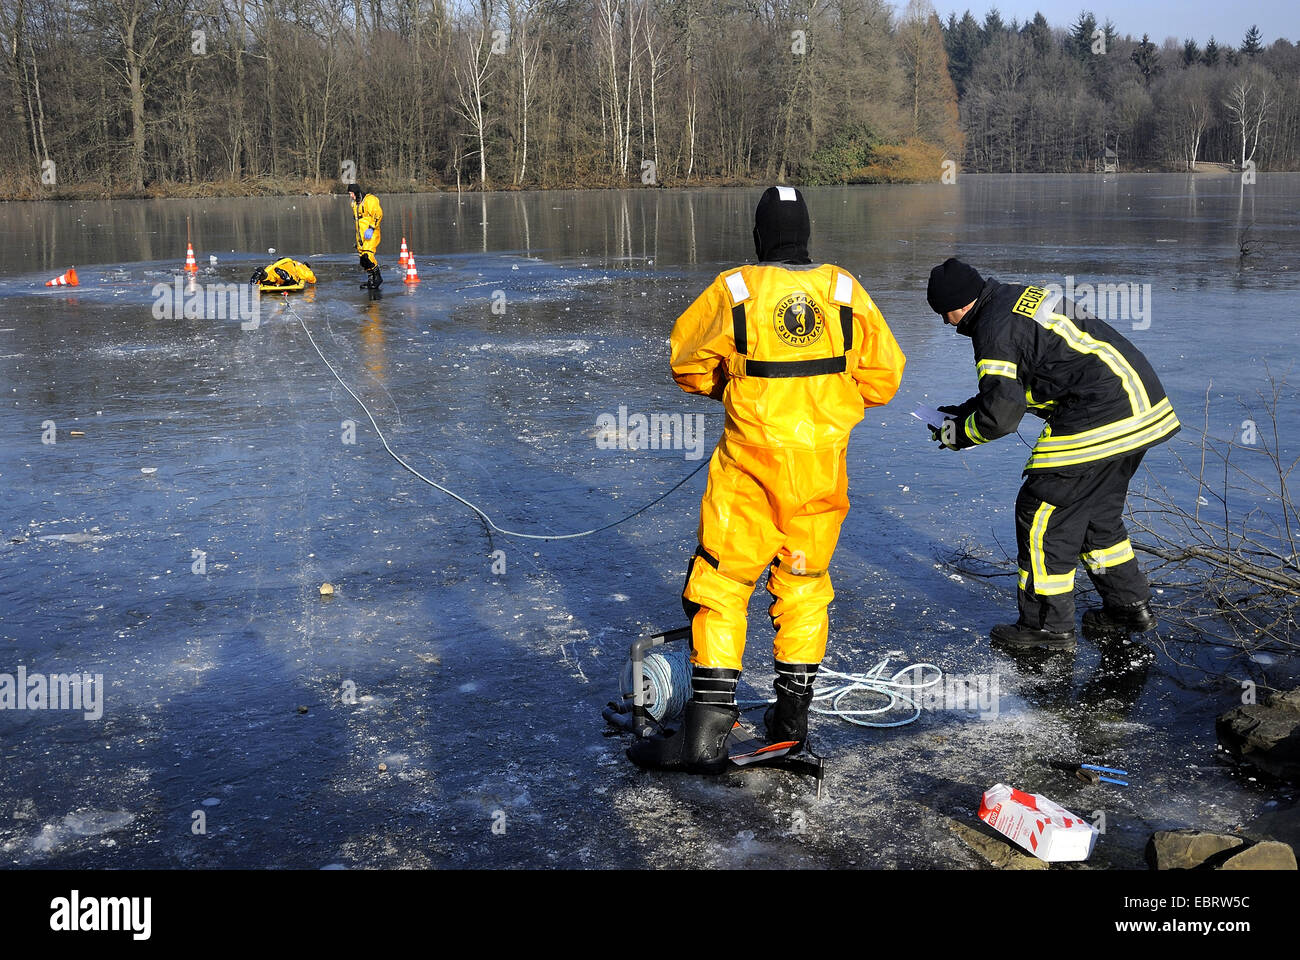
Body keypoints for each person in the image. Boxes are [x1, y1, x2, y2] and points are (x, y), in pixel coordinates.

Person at [628, 186, 906, 774]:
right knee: (805, 588)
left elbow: (685, 363)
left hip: (751, 471)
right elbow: (884, 381)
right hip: (820, 473)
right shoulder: (843, 291)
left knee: (722, 586)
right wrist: (824, 397)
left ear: (759, 237)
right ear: (807, 233)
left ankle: (705, 735)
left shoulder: (736, 290)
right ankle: (791, 721)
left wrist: (732, 388)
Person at [925, 258, 1180, 652]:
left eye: (944, 311)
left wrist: (957, 434)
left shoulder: (993, 328)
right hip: (1139, 407)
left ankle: (1046, 628)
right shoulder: (1012, 299)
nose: (945, 321)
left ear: (961, 301)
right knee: (1096, 518)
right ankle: (1128, 607)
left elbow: (1002, 417)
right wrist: (965, 410)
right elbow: (1031, 378)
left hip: (1101, 415)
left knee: (1042, 512)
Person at [347, 183, 383, 288]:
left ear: (356, 192)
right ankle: (371, 279)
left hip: (371, 233)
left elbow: (378, 214)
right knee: (363, 260)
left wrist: (371, 228)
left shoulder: (370, 200)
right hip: (361, 236)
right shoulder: (355, 204)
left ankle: (377, 278)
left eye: (351, 193)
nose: (351, 196)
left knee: (368, 256)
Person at [249, 257, 316, 288]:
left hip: (275, 273)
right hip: (285, 274)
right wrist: (313, 280)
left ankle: (264, 276)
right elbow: (308, 275)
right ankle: (287, 277)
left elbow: (258, 283)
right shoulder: (294, 263)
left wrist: (258, 281)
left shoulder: (272, 266)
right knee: (292, 277)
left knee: (270, 277)